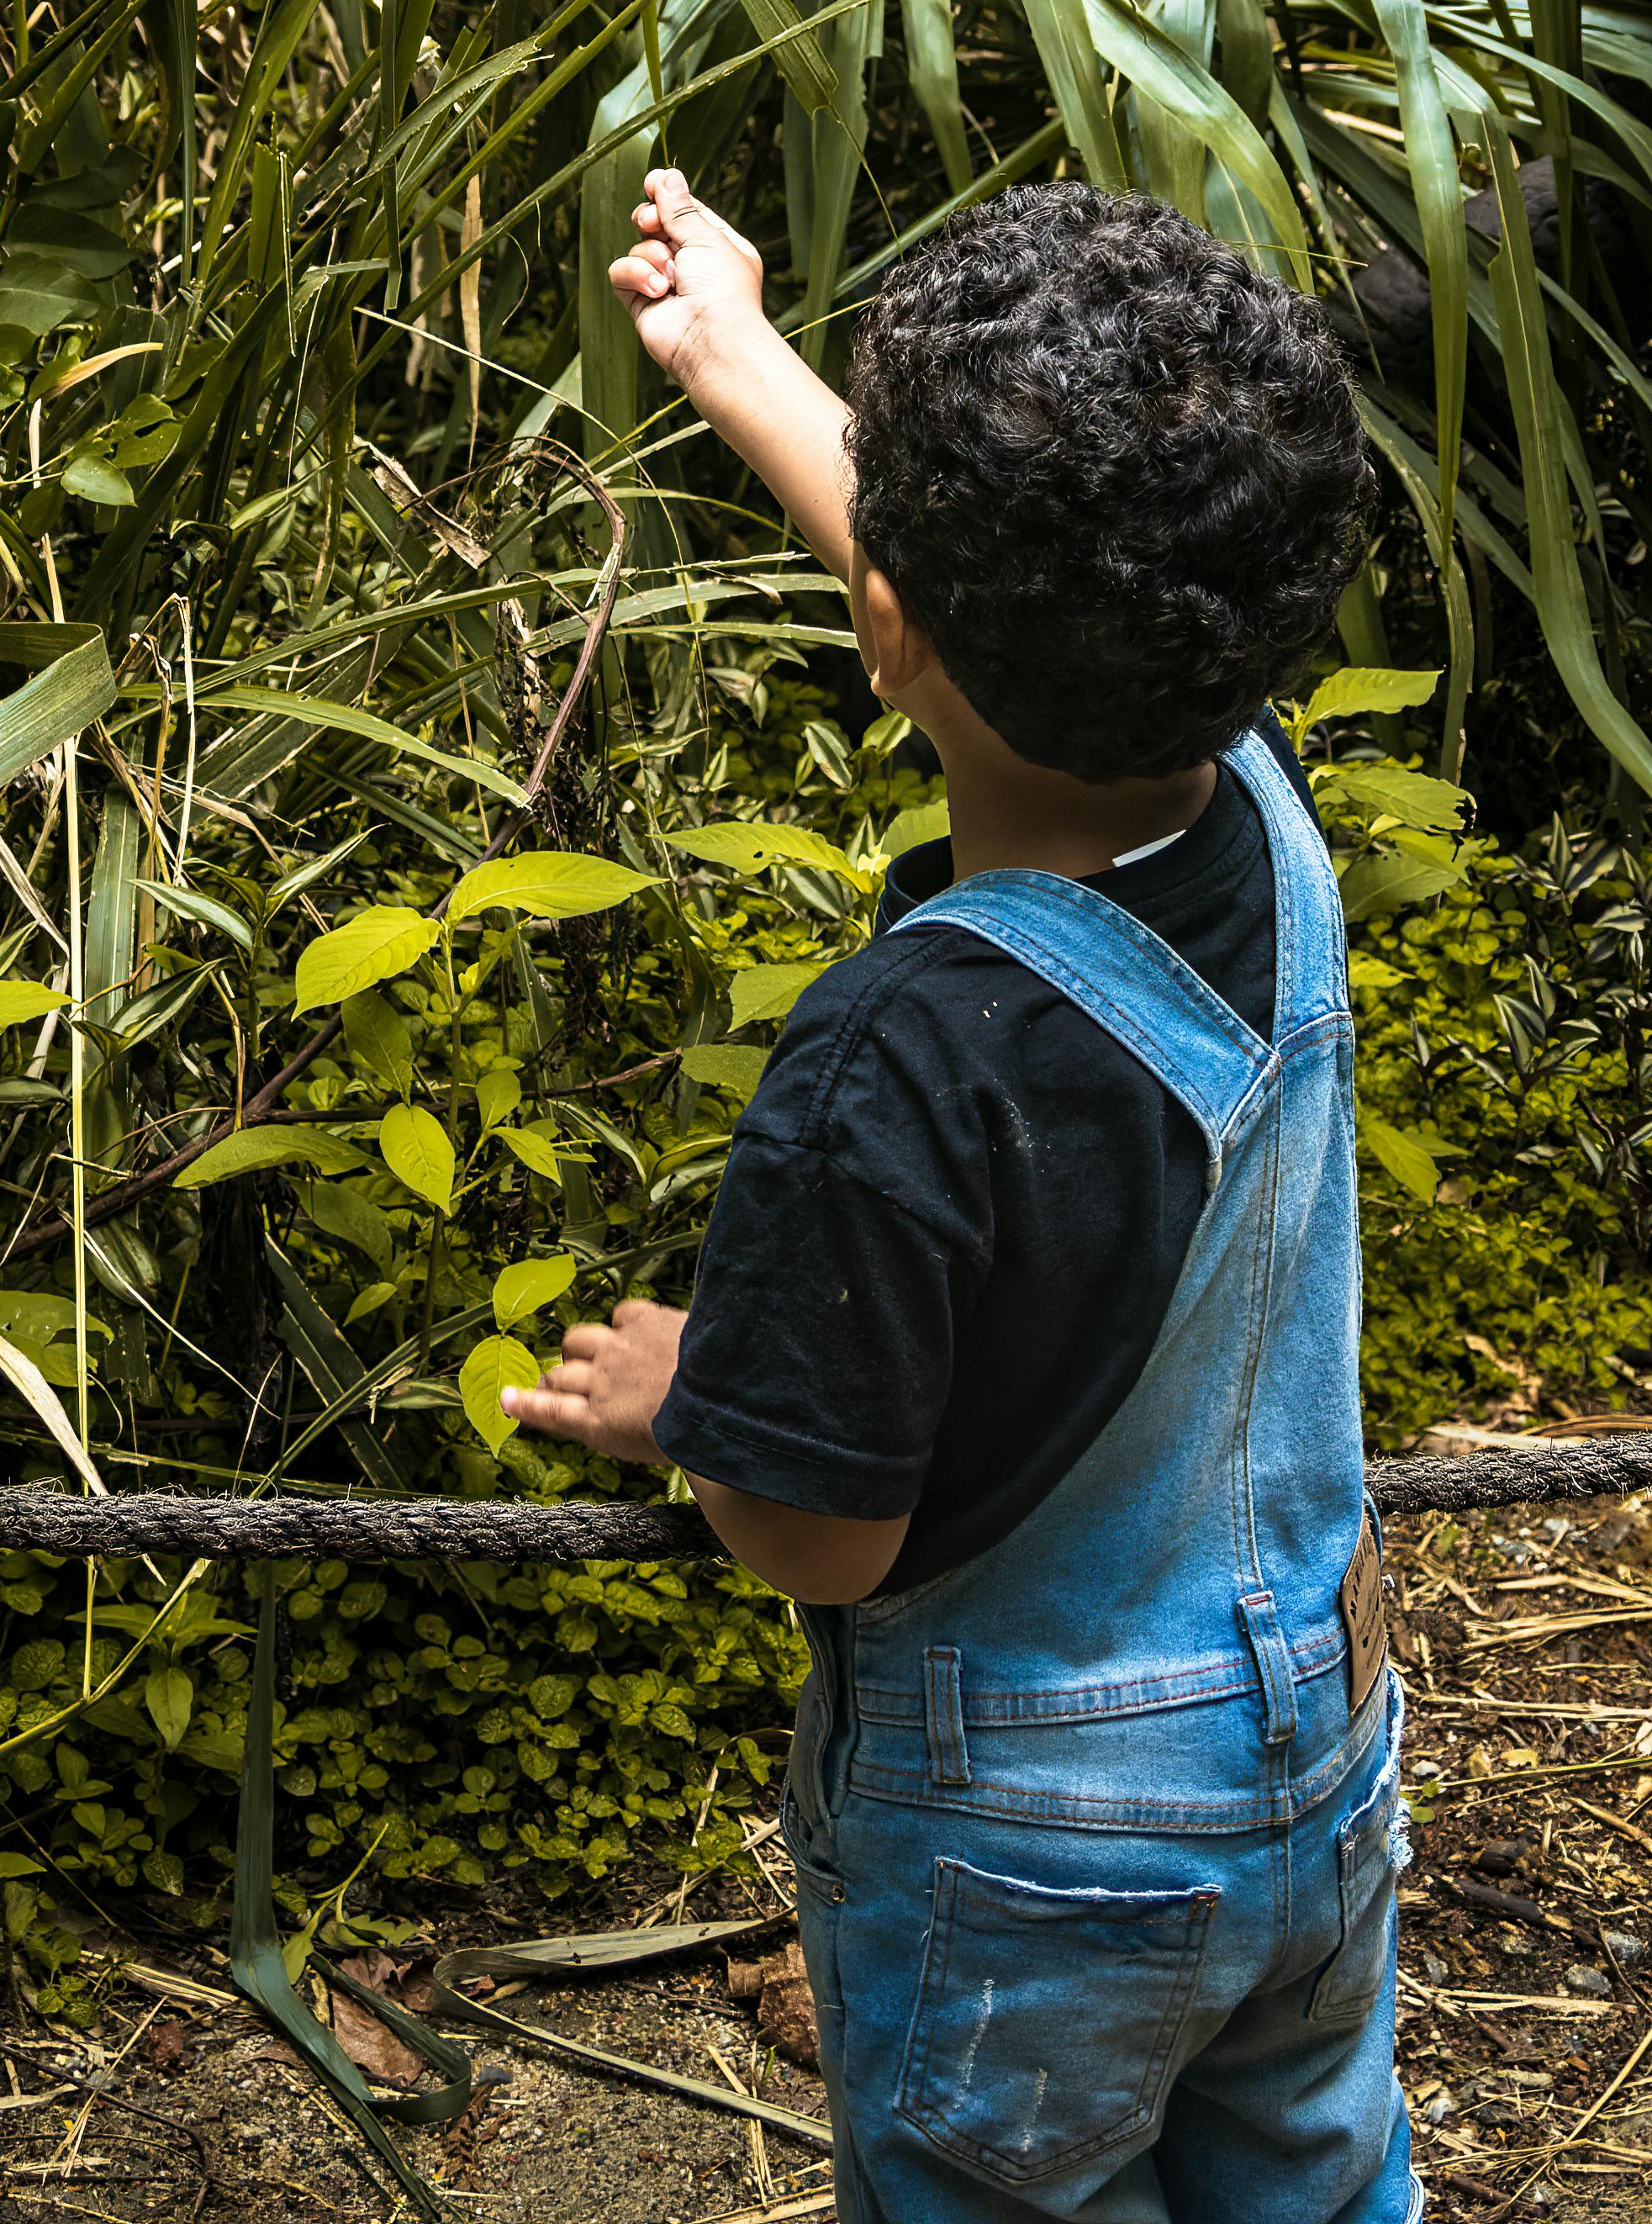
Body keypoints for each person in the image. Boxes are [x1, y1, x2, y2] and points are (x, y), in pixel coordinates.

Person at [502, 166, 1414, 2224]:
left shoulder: (894, 1061)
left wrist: (695, 1400)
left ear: (889, 628)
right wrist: (735, 358)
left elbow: (820, 1542)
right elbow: (997, 606)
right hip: (1316, 1769)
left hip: (1040, 1856)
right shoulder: (1263, 809)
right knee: (1308, 2183)